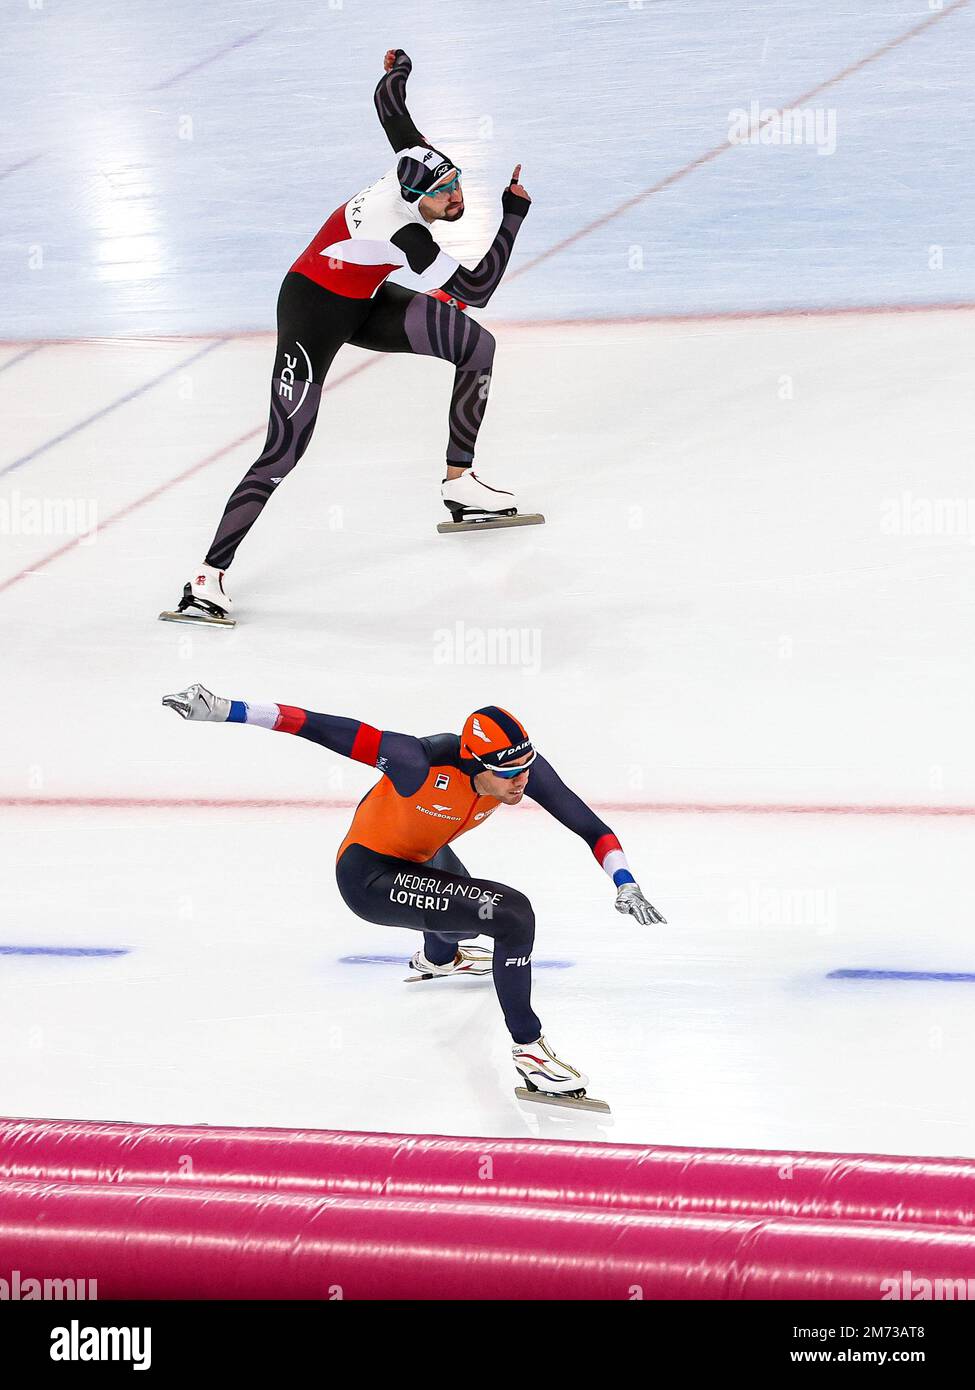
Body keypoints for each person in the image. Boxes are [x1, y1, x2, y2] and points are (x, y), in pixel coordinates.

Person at [162, 47, 533, 627]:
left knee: (476, 347)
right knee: (284, 450)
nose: (457, 197)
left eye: (457, 181)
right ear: (415, 204)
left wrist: (398, 67)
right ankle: (205, 579)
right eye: (446, 195)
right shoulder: (411, 237)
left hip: (362, 299)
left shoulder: (416, 159)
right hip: (311, 311)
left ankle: (460, 486)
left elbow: (389, 105)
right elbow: (478, 287)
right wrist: (512, 215)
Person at [162, 684, 666, 1101]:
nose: (522, 783)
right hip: (369, 876)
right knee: (511, 915)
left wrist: (625, 882)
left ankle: (440, 959)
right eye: (509, 775)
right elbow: (320, 726)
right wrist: (228, 711)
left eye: (526, 769)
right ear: (474, 763)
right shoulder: (417, 761)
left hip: (424, 857)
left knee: (459, 903)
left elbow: (588, 824)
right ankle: (529, 1050)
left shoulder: (519, 769)